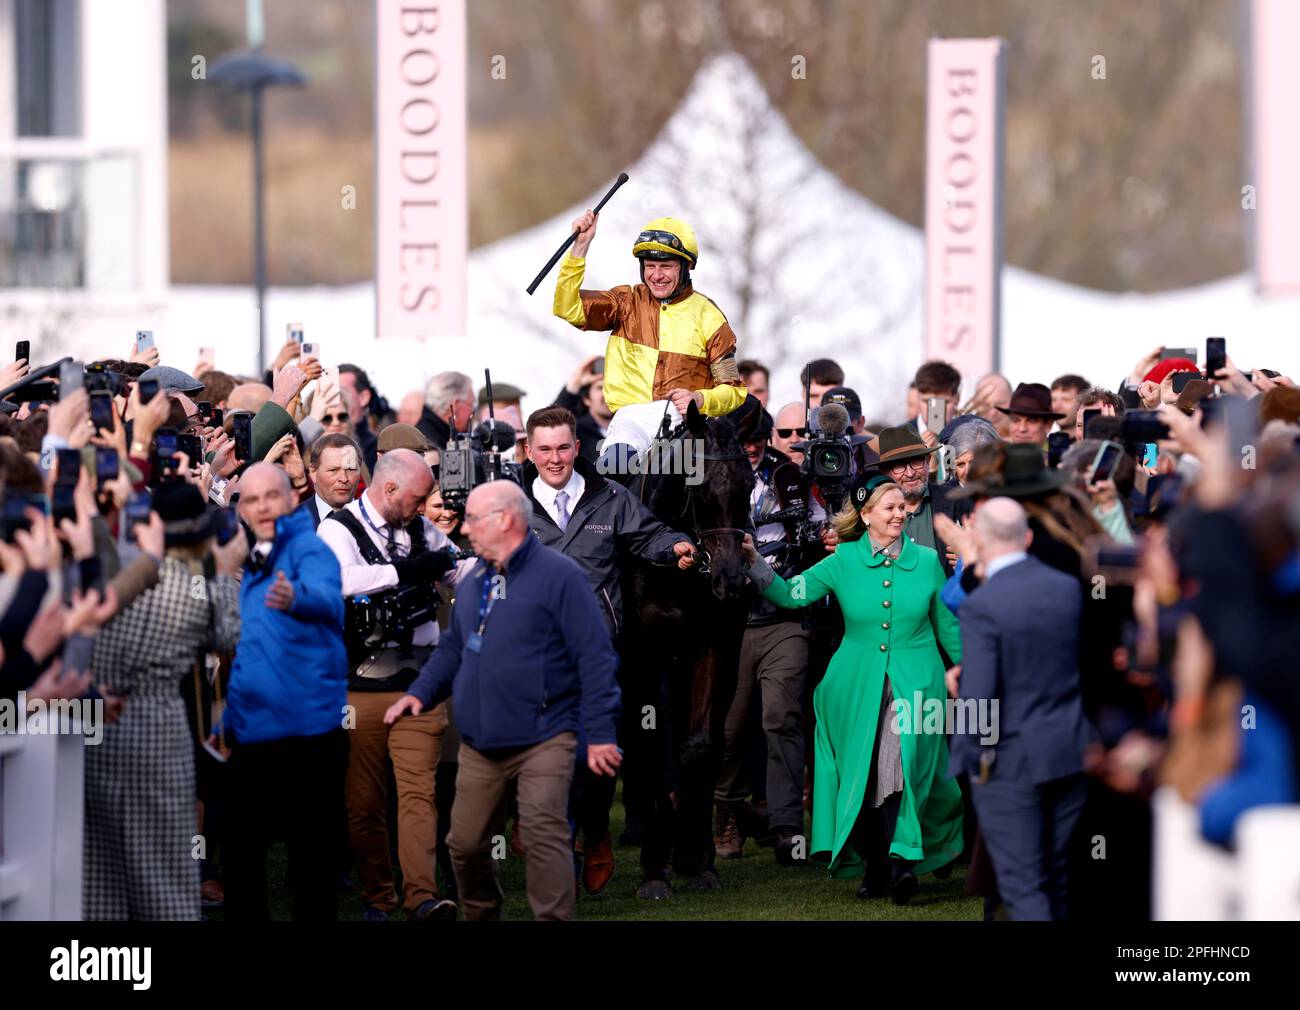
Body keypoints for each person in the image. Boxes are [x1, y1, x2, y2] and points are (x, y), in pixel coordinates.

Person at [385, 481, 622, 921]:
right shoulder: (475, 578)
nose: (466, 528)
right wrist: (417, 695)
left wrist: (603, 734)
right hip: (481, 742)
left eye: (475, 519)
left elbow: (596, 658)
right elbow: (454, 647)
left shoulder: (561, 576)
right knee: (466, 844)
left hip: (547, 736)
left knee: (543, 835)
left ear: (507, 521)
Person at [740, 473, 964, 903]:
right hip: (852, 685)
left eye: (903, 507)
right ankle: (876, 867)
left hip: (917, 681)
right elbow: (791, 595)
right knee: (859, 775)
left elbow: (948, 629)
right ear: (865, 516)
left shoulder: (929, 562)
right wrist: (754, 562)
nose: (901, 514)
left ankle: (901, 863)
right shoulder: (842, 561)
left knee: (901, 762)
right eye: (890, 508)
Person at [522, 405, 696, 893]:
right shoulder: (512, 505)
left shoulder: (608, 497)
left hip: (597, 653)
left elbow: (650, 535)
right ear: (528, 451)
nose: (554, 458)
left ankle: (593, 835)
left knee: (593, 759)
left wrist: (678, 545)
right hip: (531, 658)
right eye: (545, 449)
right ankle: (559, 848)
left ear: (578, 448)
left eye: (563, 448)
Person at [83, 481, 243, 920]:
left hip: (99, 722)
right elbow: (228, 634)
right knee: (167, 858)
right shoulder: (199, 583)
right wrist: (226, 573)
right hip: (160, 725)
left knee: (103, 856)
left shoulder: (120, 570)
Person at [316, 448, 462, 922]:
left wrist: (505, 562)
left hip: (420, 680)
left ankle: (421, 896)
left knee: (419, 792)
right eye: (418, 497)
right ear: (391, 488)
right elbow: (335, 580)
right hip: (359, 685)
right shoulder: (336, 528)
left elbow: (456, 565)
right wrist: (404, 572)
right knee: (363, 802)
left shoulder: (421, 527)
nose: (424, 507)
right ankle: (377, 896)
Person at [949, 498, 1093, 920]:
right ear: (1027, 538)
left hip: (1012, 761)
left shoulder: (982, 604)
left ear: (978, 540)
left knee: (1024, 888)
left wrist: (969, 760)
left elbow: (979, 695)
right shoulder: (1066, 587)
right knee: (1059, 879)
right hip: (1070, 750)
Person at [222, 463, 349, 921]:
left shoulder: (309, 550)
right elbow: (253, 646)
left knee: (313, 868)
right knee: (241, 857)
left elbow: (329, 600)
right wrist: (229, 719)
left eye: (269, 497)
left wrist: (297, 598)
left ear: (292, 498)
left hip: (308, 736)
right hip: (253, 732)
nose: (260, 508)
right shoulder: (256, 557)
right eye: (250, 500)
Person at [553, 212, 746, 481]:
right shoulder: (624, 301)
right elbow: (568, 307)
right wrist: (581, 246)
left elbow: (734, 391)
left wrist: (701, 399)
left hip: (686, 425)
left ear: (686, 266)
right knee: (610, 478)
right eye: (650, 266)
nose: (656, 275)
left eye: (665, 266)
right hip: (631, 422)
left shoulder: (710, 316)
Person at [715, 400, 822, 864]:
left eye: (761, 438)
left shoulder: (792, 479)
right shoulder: (712, 474)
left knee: (782, 718)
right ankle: (728, 815)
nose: (754, 447)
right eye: (747, 440)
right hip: (732, 621)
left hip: (784, 617)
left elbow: (821, 527)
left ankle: (785, 827)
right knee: (730, 728)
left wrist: (826, 535)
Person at [869, 425, 969, 573]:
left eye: (916, 461)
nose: (910, 473)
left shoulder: (957, 500)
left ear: (928, 460)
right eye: (899, 466)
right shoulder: (869, 512)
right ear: (884, 471)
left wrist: (969, 557)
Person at [299, 433, 363, 528]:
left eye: (350, 469)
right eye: (333, 470)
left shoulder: (375, 518)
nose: (344, 478)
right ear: (313, 471)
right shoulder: (292, 521)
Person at [418, 371, 476, 452]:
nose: (473, 411)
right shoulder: (435, 451)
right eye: (471, 404)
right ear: (455, 404)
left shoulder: (417, 437)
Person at [999, 382, 1066, 447]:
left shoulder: (1063, 457)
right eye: (1015, 420)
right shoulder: (999, 456)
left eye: (1031, 421)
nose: (1022, 429)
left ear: (1048, 425)